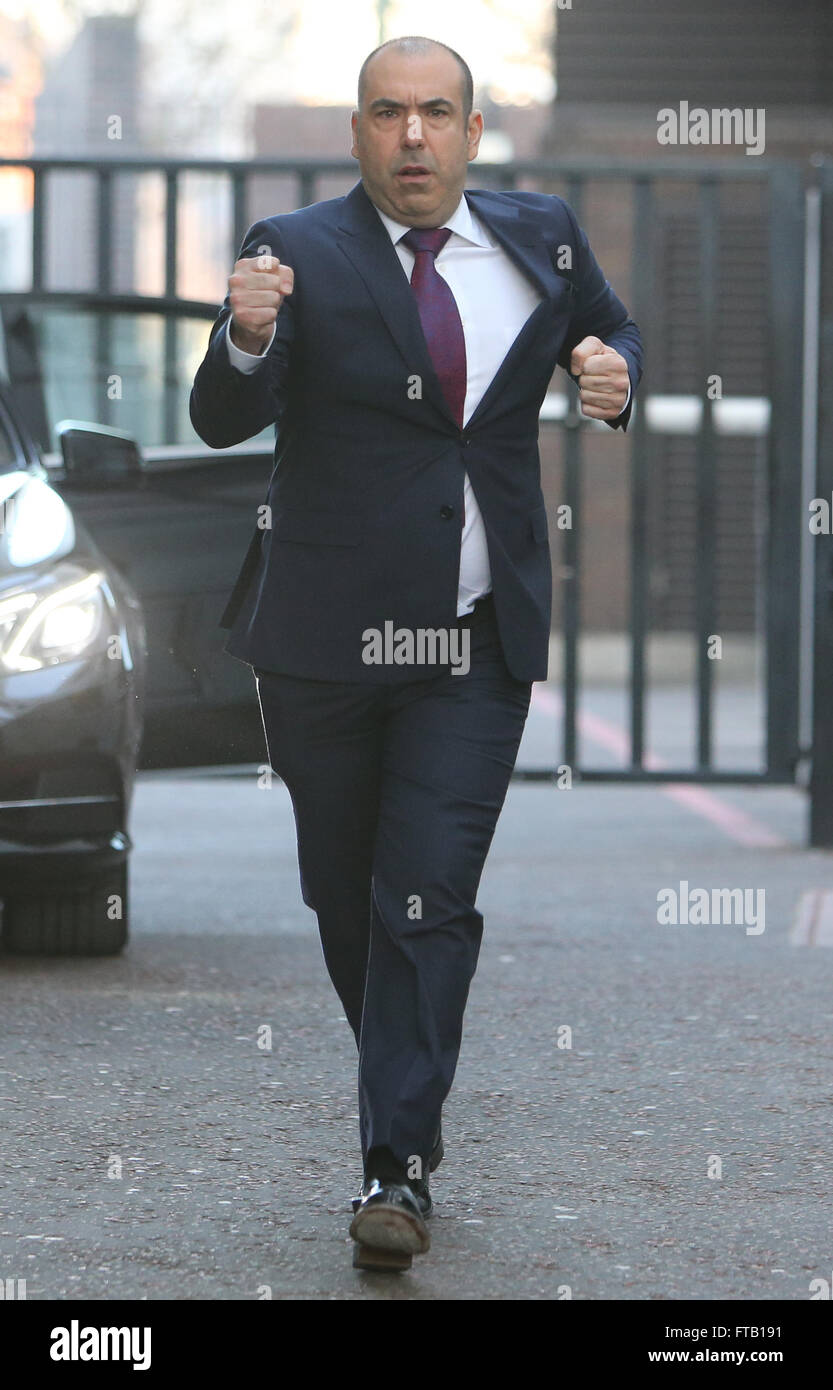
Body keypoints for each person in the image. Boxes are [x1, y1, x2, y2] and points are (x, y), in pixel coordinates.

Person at [189, 34, 643, 1272]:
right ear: (355, 133)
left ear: (472, 130)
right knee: (349, 900)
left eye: (435, 113)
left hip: (471, 644)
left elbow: (609, 333)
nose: (410, 138)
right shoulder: (296, 248)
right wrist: (240, 334)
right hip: (325, 643)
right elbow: (222, 414)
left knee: (424, 894)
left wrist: (612, 370)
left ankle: (394, 1163)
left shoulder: (539, 235)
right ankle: (404, 1097)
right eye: (386, 114)